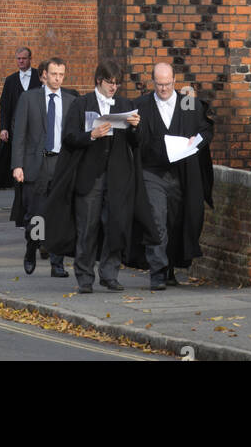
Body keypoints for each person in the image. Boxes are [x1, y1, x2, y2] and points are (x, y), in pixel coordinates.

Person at [43, 59, 157, 295]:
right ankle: (85, 277)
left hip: (118, 177)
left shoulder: (125, 104)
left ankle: (109, 274)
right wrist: (91, 134)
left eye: (117, 83)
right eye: (109, 82)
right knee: (88, 228)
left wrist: (136, 127)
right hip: (89, 176)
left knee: (116, 225)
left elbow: (137, 143)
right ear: (99, 80)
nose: (113, 87)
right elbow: (69, 137)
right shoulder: (81, 103)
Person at [135, 60, 214, 291]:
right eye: (159, 84)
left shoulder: (188, 102)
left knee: (177, 221)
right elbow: (134, 139)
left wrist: (196, 141)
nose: (163, 89)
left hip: (182, 173)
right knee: (157, 220)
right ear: (153, 83)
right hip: (152, 172)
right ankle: (157, 272)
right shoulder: (142, 106)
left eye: (168, 84)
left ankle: (170, 270)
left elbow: (206, 128)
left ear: (175, 82)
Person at [11, 56, 75, 278]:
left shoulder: (70, 101)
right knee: (36, 216)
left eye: (61, 75)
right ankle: (32, 247)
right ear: (45, 75)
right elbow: (19, 135)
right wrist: (17, 165)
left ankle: (57, 264)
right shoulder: (29, 99)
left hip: (60, 164)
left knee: (59, 216)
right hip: (36, 165)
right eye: (54, 74)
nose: (57, 78)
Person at [0, 47, 41, 189]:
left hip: (36, 126)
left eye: (24, 58)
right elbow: (4, 106)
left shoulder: (39, 77)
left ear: (30, 59)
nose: (21, 61)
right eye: (18, 58)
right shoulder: (10, 80)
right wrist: (3, 128)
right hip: (15, 127)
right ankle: (16, 180)